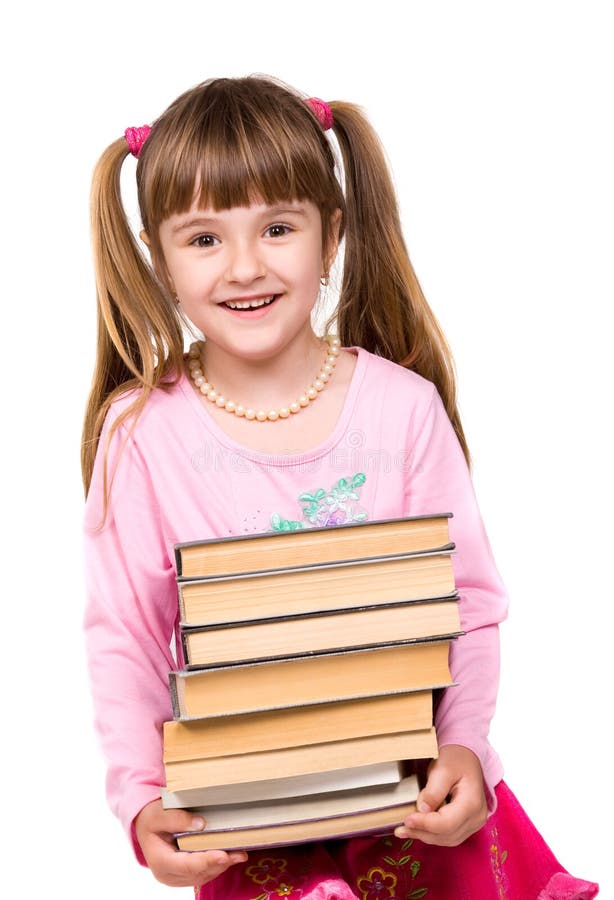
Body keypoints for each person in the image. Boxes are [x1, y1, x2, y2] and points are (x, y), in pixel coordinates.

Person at [82, 75, 598, 899]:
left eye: (277, 228)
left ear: (331, 234)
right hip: (247, 821)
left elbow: (467, 600)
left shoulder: (400, 409)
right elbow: (126, 637)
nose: (245, 266)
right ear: (160, 256)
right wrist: (141, 799)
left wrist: (463, 744)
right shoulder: (141, 432)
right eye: (204, 239)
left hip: (415, 801)